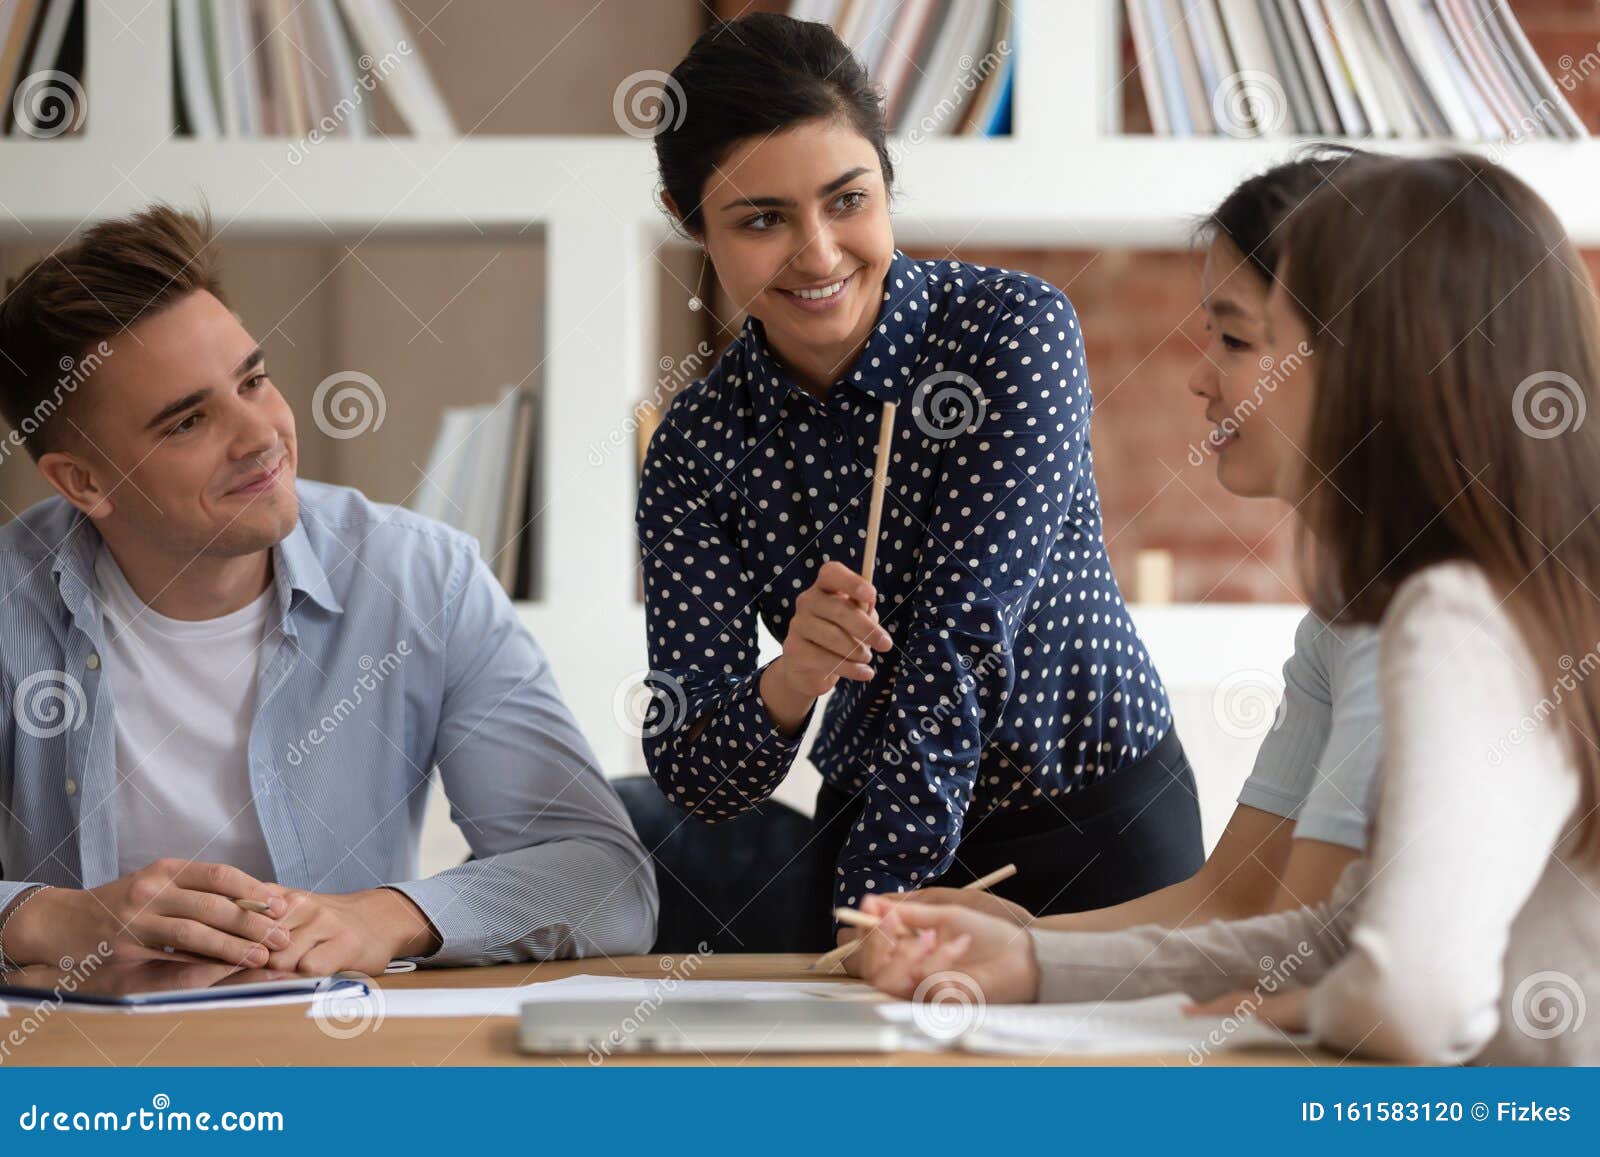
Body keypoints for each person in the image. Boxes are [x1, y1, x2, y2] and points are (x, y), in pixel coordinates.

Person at [855, 153, 1600, 1065]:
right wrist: (1033, 956)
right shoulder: (1505, 597)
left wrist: (1300, 1007)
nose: (1205, 378)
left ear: (1376, 364)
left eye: (1247, 340)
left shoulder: (1451, 613)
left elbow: (1395, 990)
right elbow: (1338, 930)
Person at [637, 12, 1203, 949]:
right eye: (762, 219)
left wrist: (876, 909)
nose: (818, 254)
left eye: (847, 200)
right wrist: (792, 677)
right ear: (688, 219)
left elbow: (960, 640)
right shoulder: (698, 445)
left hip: (1099, 833)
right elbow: (697, 770)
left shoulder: (1011, 332)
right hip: (871, 833)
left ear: (887, 180)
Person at [0, 205, 658, 975]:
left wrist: (392, 916)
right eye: (187, 423)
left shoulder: (423, 580)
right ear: (84, 482)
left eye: (254, 379)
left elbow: (608, 880)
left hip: (337, 1060)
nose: (262, 437)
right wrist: (47, 918)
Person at [874, 148, 1383, 937]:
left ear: (1355, 356)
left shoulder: (1428, 618)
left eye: (1236, 342)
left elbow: (1308, 950)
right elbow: (1231, 901)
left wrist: (1029, 957)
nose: (1200, 378)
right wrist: (1019, 941)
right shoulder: (1336, 624)